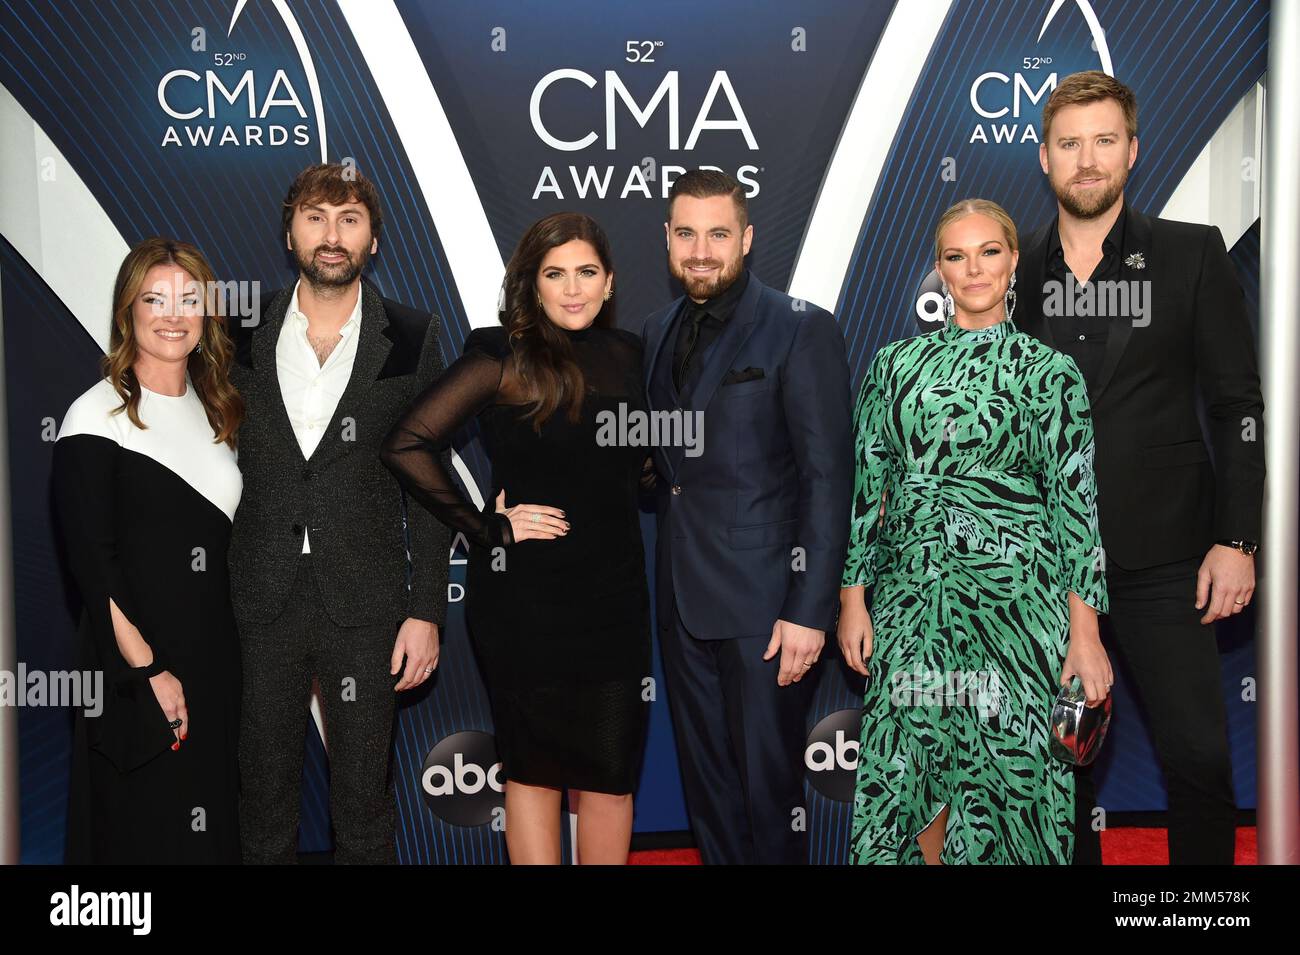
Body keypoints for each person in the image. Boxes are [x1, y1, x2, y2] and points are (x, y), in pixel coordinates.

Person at [1015, 72, 1265, 865]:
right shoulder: (1012, 270)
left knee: (1197, 761)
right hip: (1048, 569)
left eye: (1103, 141)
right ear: (1045, 158)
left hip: (1168, 560)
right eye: (1069, 144)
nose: (1087, 161)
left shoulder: (1191, 254)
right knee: (1058, 773)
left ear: (1132, 150)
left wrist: (1238, 538)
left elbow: (1237, 406)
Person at [838, 199, 1112, 865]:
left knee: (1009, 784)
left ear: (1014, 259)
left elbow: (1077, 510)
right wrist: (853, 597)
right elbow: (869, 487)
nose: (974, 268)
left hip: (1018, 612)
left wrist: (1087, 634)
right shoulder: (893, 366)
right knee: (908, 776)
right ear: (939, 269)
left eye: (989, 251)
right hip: (910, 606)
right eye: (957, 256)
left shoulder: (1050, 374)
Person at [382, 212, 650, 864]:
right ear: (531, 283)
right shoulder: (501, 355)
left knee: (610, 779)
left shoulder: (632, 358)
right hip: (524, 603)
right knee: (532, 775)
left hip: (614, 597)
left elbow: (641, 469)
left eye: (587, 272)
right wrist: (485, 526)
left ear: (609, 281)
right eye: (555, 274)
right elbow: (407, 442)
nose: (573, 287)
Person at [228, 163, 451, 864]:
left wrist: (427, 609)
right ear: (289, 231)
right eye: (316, 218)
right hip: (261, 598)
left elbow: (429, 481)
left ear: (374, 240)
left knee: (363, 802)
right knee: (262, 797)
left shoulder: (412, 337)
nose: (332, 235)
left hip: (367, 599)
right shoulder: (237, 329)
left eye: (349, 219)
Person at [642, 169, 852, 864]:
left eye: (718, 234)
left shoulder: (800, 328)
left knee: (769, 795)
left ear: (748, 238)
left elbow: (828, 480)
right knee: (709, 793)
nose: (701, 250)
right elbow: (663, 469)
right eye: (686, 233)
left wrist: (809, 611)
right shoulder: (656, 329)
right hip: (680, 601)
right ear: (668, 239)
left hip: (767, 607)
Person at [53, 237, 244, 863]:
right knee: (142, 839)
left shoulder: (219, 410)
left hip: (215, 664)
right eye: (154, 299)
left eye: (189, 299)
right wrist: (148, 671)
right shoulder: (94, 416)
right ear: (126, 313)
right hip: (136, 671)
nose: (172, 314)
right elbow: (92, 567)